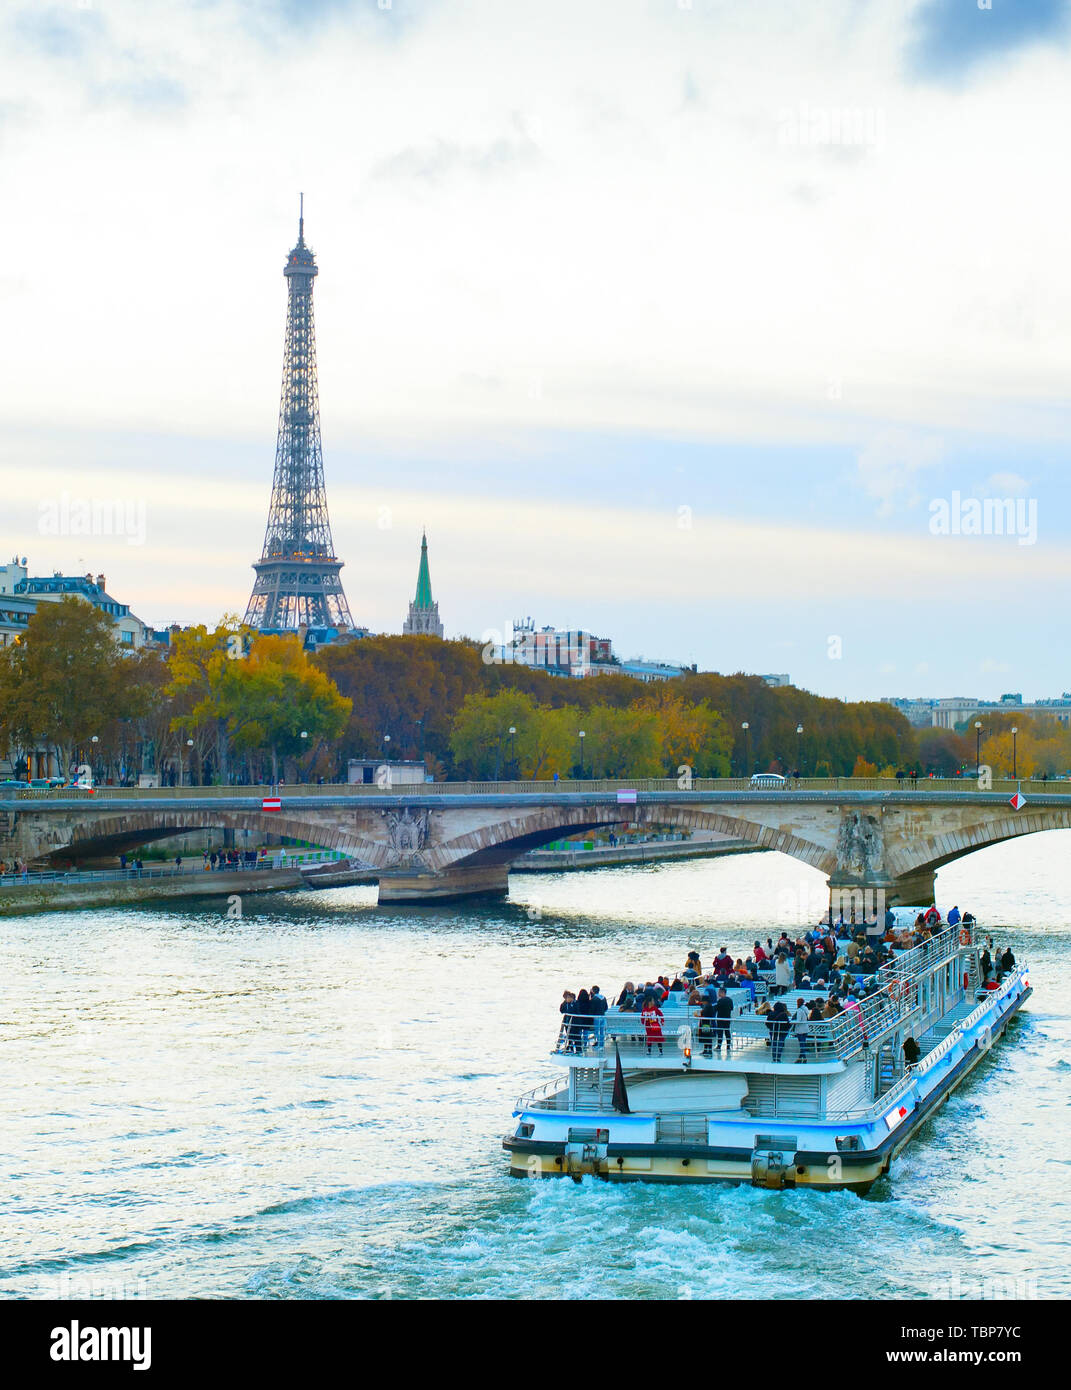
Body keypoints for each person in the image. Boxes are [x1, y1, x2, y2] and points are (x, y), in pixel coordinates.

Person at [713, 987, 734, 1056]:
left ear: (722, 993)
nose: (718, 994)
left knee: (720, 1033)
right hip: (727, 1018)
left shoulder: (720, 1001)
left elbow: (716, 1009)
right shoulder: (730, 1000)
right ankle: (728, 1046)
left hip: (720, 1018)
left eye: (719, 992)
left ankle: (719, 1046)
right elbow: (731, 1008)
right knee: (727, 1032)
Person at [793, 997, 811, 1063]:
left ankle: (803, 1058)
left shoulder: (799, 1010)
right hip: (806, 1028)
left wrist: (792, 1022)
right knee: (803, 1043)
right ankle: (801, 1058)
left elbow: (798, 1020)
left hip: (800, 1029)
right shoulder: (806, 1009)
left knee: (801, 1044)